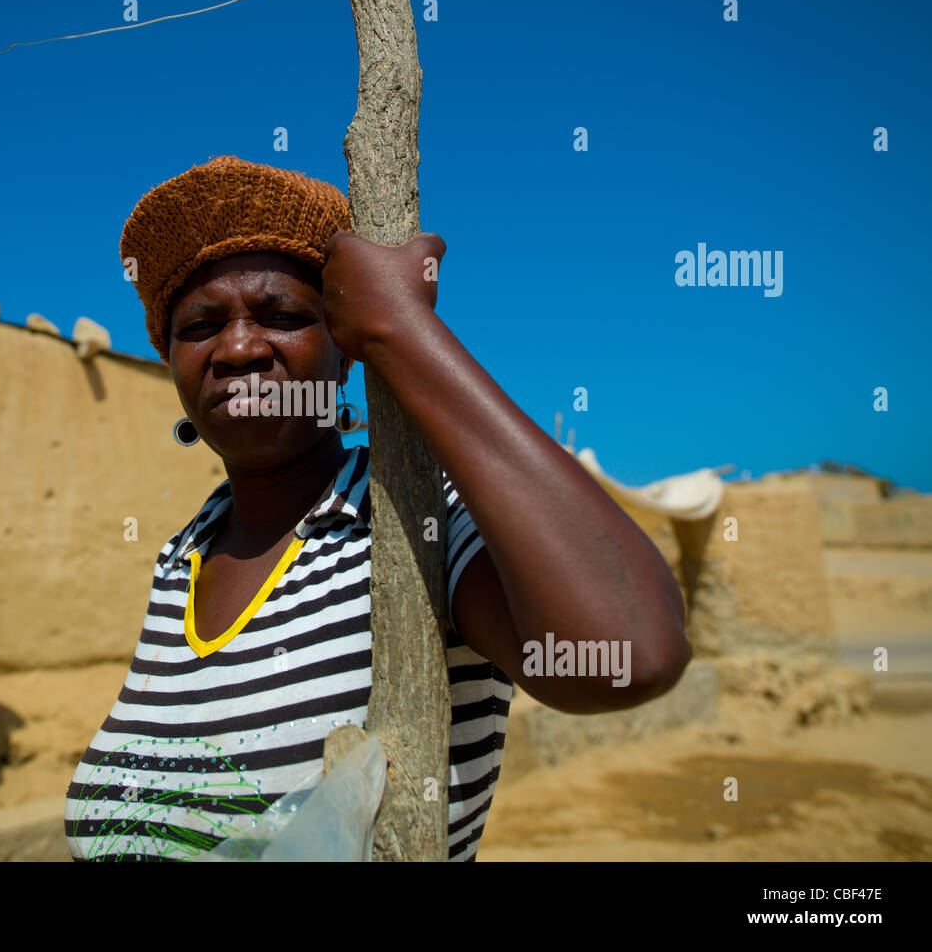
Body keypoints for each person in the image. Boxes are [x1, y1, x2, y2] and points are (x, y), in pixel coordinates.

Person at [63, 155, 691, 861]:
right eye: (201, 325)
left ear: (345, 348)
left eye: (282, 315)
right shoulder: (182, 558)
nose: (237, 347)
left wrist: (403, 328)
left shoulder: (407, 523)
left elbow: (634, 651)